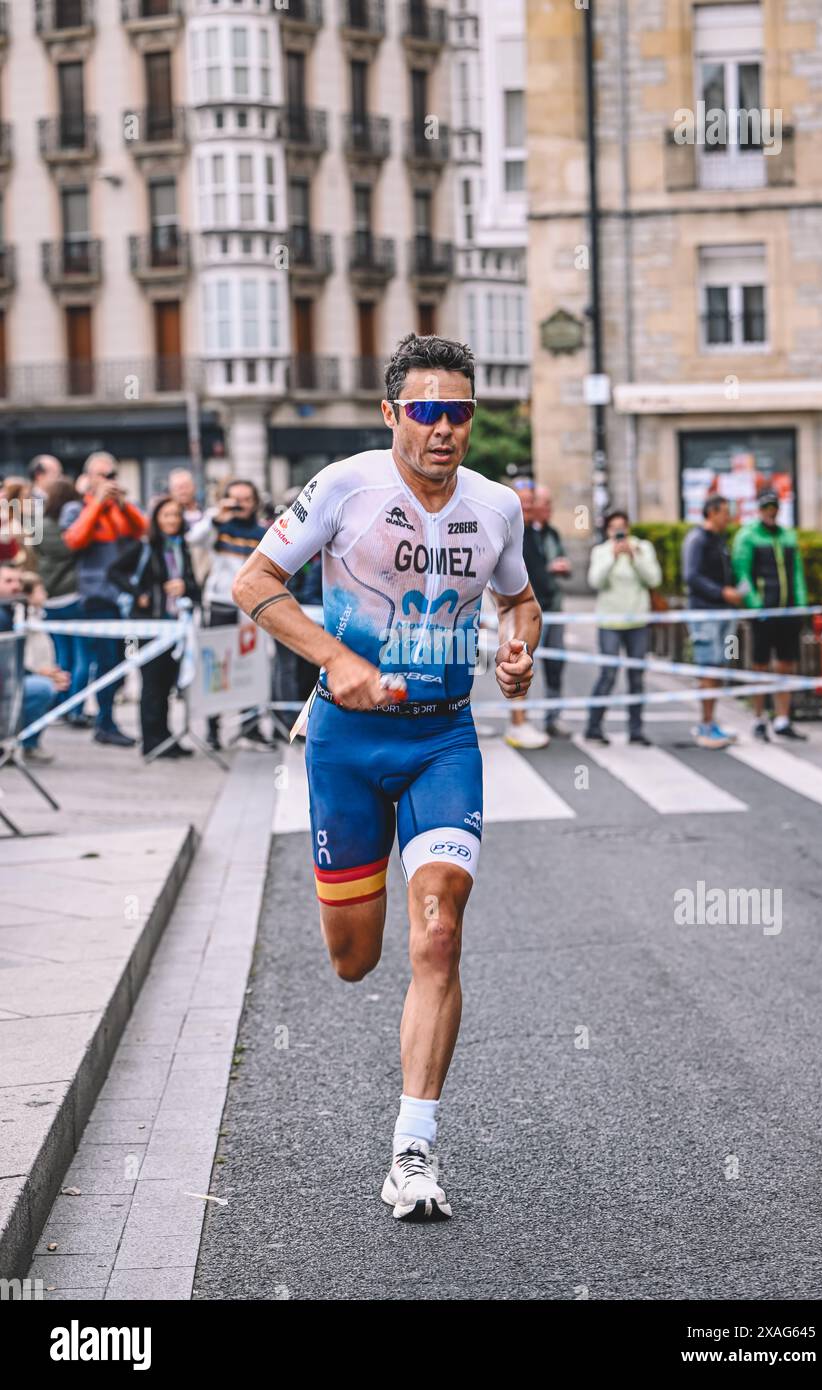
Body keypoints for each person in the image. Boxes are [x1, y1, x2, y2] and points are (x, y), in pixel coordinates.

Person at [232, 332, 541, 1221]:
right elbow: (254, 582)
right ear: (391, 415)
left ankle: (413, 1149)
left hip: (444, 740)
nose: (444, 429)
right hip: (346, 743)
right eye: (426, 412)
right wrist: (337, 659)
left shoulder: (495, 508)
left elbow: (519, 600)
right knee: (354, 959)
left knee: (439, 932)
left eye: (460, 413)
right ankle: (346, 891)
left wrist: (521, 648)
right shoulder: (345, 487)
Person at [60, 451, 148, 747]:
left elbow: (143, 530)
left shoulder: (120, 509)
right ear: (89, 478)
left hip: (122, 596)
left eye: (113, 475)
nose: (109, 481)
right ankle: (102, 721)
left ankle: (106, 720)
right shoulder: (76, 509)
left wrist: (121, 504)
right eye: (103, 475)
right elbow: (75, 540)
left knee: (119, 663)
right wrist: (97, 502)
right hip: (95, 597)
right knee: (103, 662)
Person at [110, 495, 200, 759]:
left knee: (168, 684)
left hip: (176, 625)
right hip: (149, 625)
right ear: (156, 519)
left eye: (175, 515)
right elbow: (114, 572)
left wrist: (185, 587)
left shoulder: (181, 547)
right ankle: (151, 741)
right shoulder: (145, 547)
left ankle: (166, 736)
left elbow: (193, 584)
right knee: (151, 683)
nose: (171, 520)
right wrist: (140, 593)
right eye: (166, 515)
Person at [187, 477, 273, 752]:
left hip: (250, 607)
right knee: (217, 669)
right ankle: (213, 729)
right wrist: (216, 514)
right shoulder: (217, 527)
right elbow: (193, 538)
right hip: (221, 603)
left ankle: (251, 728)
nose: (241, 505)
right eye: (235, 499)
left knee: (252, 666)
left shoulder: (262, 532)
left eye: (246, 499)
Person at [732, 488, 809, 742]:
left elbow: (796, 572)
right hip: (764, 612)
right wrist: (755, 605)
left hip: (787, 610)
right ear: (759, 509)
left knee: (786, 663)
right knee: (760, 665)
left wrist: (801, 603)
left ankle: (782, 718)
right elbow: (741, 573)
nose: (771, 511)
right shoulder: (748, 536)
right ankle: (758, 717)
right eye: (766, 507)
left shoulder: (788, 536)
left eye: (774, 507)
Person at [582, 509, 661, 746]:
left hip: (637, 620)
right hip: (610, 622)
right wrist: (613, 558)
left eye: (622, 527)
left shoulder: (642, 548)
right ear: (608, 530)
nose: (619, 532)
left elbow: (654, 579)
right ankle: (593, 727)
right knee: (608, 674)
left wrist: (635, 558)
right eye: (614, 527)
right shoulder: (601, 551)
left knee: (636, 676)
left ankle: (635, 730)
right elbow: (595, 581)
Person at [682, 495, 743, 750]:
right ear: (712, 513)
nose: (728, 517)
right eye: (724, 512)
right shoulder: (697, 540)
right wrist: (721, 592)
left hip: (722, 612)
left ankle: (711, 721)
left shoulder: (720, 541)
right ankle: (706, 724)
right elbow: (691, 576)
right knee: (708, 667)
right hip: (705, 613)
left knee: (717, 667)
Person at [0, 562, 69, 763]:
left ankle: (21, 744)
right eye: (8, 581)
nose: (15, 586)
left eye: (18, 581)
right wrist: (36, 675)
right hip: (8, 683)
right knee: (42, 688)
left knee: (45, 686)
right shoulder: (4, 616)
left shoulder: (17, 611)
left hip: (13, 679)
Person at [36, 477, 92, 727]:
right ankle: (75, 707)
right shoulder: (70, 527)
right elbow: (73, 548)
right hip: (71, 595)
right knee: (82, 656)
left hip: (49, 600)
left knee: (62, 656)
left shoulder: (37, 525)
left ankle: (60, 703)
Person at [270, 487, 323, 742]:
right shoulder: (281, 536)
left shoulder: (322, 538)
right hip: (286, 612)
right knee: (286, 668)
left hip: (312, 616)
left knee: (308, 668)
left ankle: (303, 720)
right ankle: (286, 723)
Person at [504, 478, 552, 750]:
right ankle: (517, 723)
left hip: (530, 608)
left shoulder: (534, 532)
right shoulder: (507, 528)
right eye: (522, 499)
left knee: (520, 663)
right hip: (506, 608)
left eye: (531, 500)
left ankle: (519, 722)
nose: (527, 504)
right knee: (473, 667)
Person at [533, 484, 572, 738]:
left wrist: (562, 567)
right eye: (544, 504)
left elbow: (563, 564)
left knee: (556, 664)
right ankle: (520, 718)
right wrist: (547, 569)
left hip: (555, 608)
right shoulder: (523, 533)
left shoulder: (553, 534)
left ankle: (553, 717)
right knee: (524, 664)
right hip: (533, 610)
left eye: (550, 504)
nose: (548, 509)